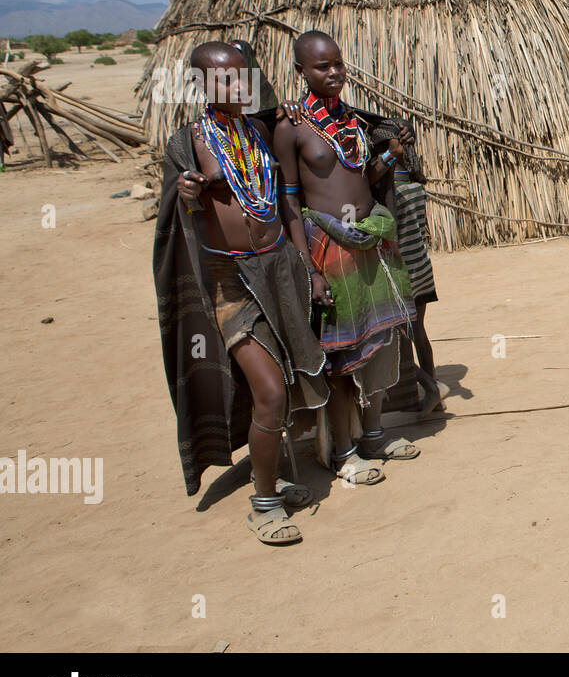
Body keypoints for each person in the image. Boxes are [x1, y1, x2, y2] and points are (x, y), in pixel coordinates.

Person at [155, 41, 329, 545]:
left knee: (288, 384)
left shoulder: (258, 130)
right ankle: (264, 504)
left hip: (277, 270)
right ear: (201, 85)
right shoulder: (186, 144)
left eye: (242, 77)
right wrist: (188, 194)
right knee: (270, 390)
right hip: (229, 284)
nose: (236, 86)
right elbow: (177, 213)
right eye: (223, 79)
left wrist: (302, 263)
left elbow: (287, 195)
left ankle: (273, 476)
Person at [274, 30, 419, 486]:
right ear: (301, 71)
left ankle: (374, 434)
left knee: (380, 342)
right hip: (327, 247)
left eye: (338, 63)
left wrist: (392, 156)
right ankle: (344, 452)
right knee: (339, 356)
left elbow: (366, 177)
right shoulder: (290, 126)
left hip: (371, 237)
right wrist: (307, 266)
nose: (334, 72)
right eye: (322, 66)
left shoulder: (353, 122)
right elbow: (290, 200)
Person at [372, 115, 447, 413]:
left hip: (401, 271)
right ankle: (433, 391)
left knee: (395, 340)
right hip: (421, 267)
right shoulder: (415, 178)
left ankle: (430, 389)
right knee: (418, 333)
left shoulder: (391, 187)